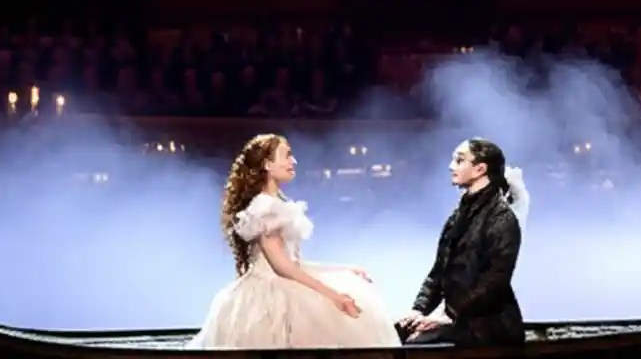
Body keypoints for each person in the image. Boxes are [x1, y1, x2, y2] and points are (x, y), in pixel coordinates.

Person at [185, 134, 401, 349]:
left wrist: (344, 269)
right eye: (287, 156)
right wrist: (333, 295)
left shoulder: (279, 203)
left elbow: (294, 263)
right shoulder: (265, 207)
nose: (293, 161)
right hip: (268, 298)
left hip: (285, 283)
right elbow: (282, 267)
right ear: (267, 164)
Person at [396, 137, 528, 347]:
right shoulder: (458, 216)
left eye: (459, 160)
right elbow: (439, 271)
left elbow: (495, 282)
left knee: (415, 344)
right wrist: (418, 309)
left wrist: (449, 314)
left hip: (488, 325)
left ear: (480, 169)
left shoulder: (501, 218)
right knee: (398, 332)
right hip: (460, 319)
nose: (451, 167)